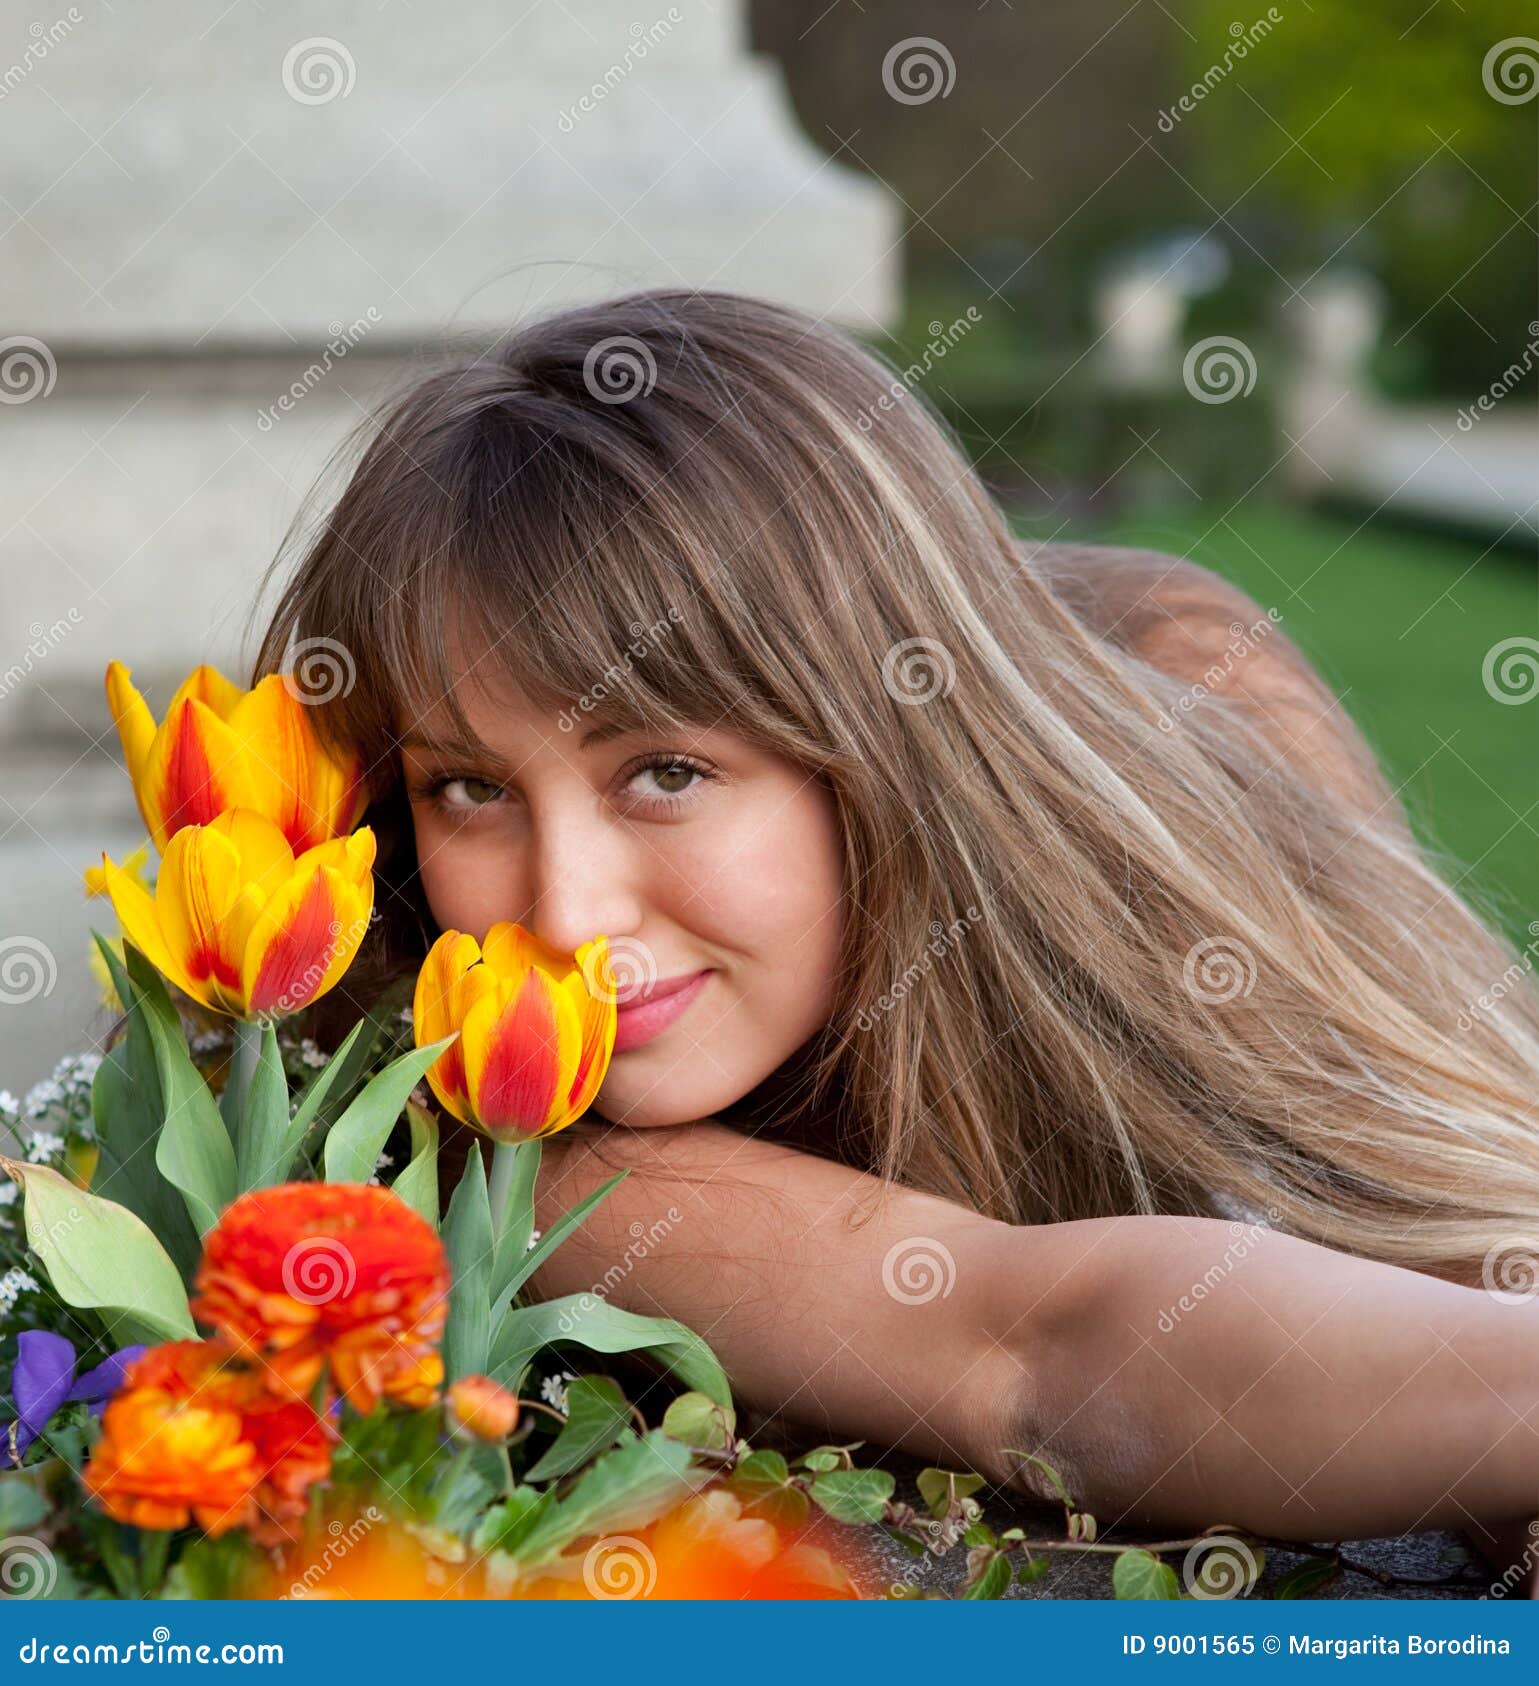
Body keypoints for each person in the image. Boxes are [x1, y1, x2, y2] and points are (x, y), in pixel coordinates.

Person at [260, 288, 1539, 1593]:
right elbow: (1033, 1357)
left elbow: (1434, 1195)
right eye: (469, 787)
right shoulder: (492, 1115)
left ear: (880, 745)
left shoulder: (1193, 698)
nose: (566, 917)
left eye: (664, 771)